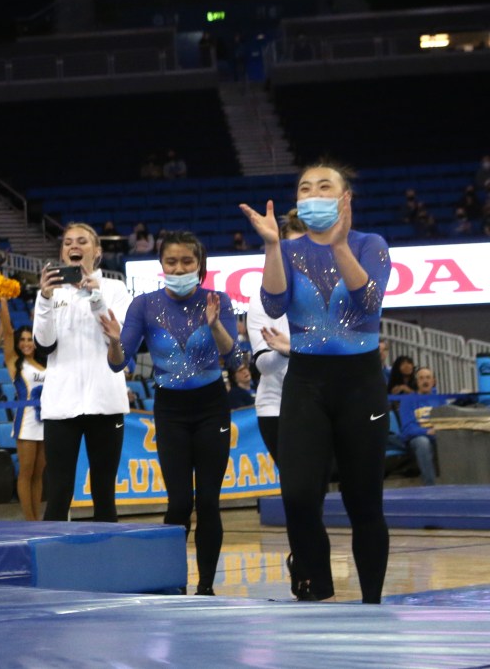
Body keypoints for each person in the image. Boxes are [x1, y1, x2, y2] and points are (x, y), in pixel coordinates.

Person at [242, 160, 391, 604]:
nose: (312, 194)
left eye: (324, 186)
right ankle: (318, 587)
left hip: (360, 383)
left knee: (363, 500)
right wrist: (271, 247)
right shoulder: (288, 250)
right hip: (306, 382)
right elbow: (271, 305)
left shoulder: (370, 244)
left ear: (345, 198)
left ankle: (372, 604)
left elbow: (367, 303)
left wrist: (340, 245)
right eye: (305, 188)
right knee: (300, 494)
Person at [102, 230, 236, 595]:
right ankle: (172, 581)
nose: (179, 268)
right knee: (179, 501)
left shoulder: (218, 300)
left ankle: (206, 586)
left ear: (201, 266)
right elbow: (118, 364)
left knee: (208, 500)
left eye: (187, 262)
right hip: (171, 411)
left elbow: (235, 357)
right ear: (161, 265)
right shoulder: (144, 305)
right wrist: (115, 341)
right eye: (172, 262)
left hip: (211, 408)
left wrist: (216, 325)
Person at [34, 223, 132, 523]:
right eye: (67, 243)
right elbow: (44, 343)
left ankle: (110, 564)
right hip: (61, 406)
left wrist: (95, 296)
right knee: (59, 491)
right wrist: (45, 299)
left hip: (105, 403)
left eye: (82, 241)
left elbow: (115, 339)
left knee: (104, 491)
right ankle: (52, 563)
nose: (73, 247)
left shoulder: (115, 289)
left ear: (97, 251)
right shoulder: (51, 293)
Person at [248, 212, 309, 463]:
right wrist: (284, 352)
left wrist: (293, 347)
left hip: (328, 404)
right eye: (292, 250)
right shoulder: (261, 301)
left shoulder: (335, 295)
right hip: (277, 408)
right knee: (297, 487)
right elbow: (263, 364)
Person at [0, 298, 47, 521]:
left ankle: (36, 517)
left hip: (46, 420)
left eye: (31, 339)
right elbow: (7, 333)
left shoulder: (45, 364)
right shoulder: (14, 361)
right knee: (26, 473)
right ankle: (29, 521)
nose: (27, 343)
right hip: (26, 421)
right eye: (23, 339)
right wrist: (3, 302)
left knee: (39, 475)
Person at [390, 366, 439, 486]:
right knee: (422, 442)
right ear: (417, 382)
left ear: (433, 381)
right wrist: (427, 432)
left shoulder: (440, 400)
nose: (425, 381)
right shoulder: (408, 400)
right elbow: (407, 429)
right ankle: (431, 486)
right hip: (416, 439)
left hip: (438, 436)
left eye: (428, 377)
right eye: (421, 378)